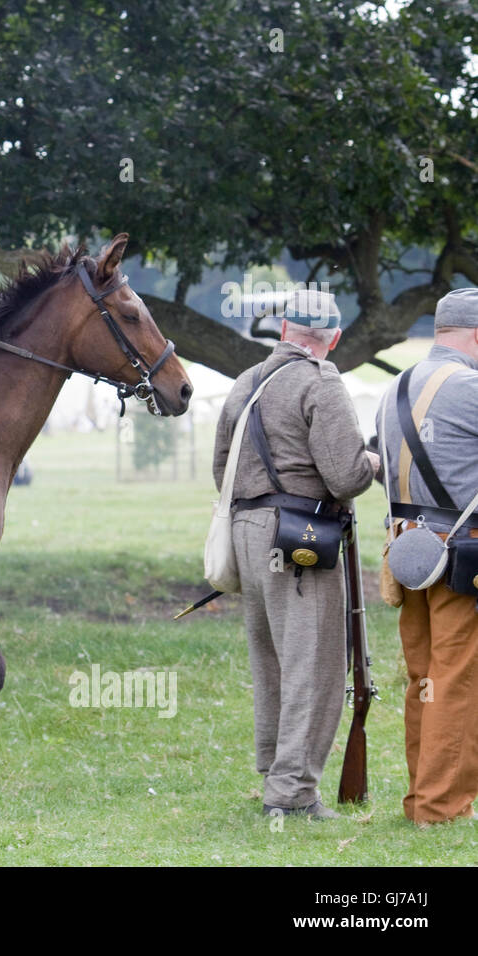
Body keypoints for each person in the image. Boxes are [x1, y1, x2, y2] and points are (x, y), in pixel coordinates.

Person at [211, 289, 378, 820]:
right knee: (314, 663)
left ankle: (275, 771)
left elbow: (222, 469)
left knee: (272, 660)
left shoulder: (245, 382)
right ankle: (292, 792)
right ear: (333, 338)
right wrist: (372, 461)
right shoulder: (320, 381)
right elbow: (346, 475)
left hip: (247, 529)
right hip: (301, 537)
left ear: (284, 331)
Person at [375, 287, 478, 826]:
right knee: (457, 680)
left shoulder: (393, 386)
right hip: (465, 560)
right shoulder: (474, 388)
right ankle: (440, 808)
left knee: (425, 677)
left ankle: (422, 797)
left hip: (409, 553)